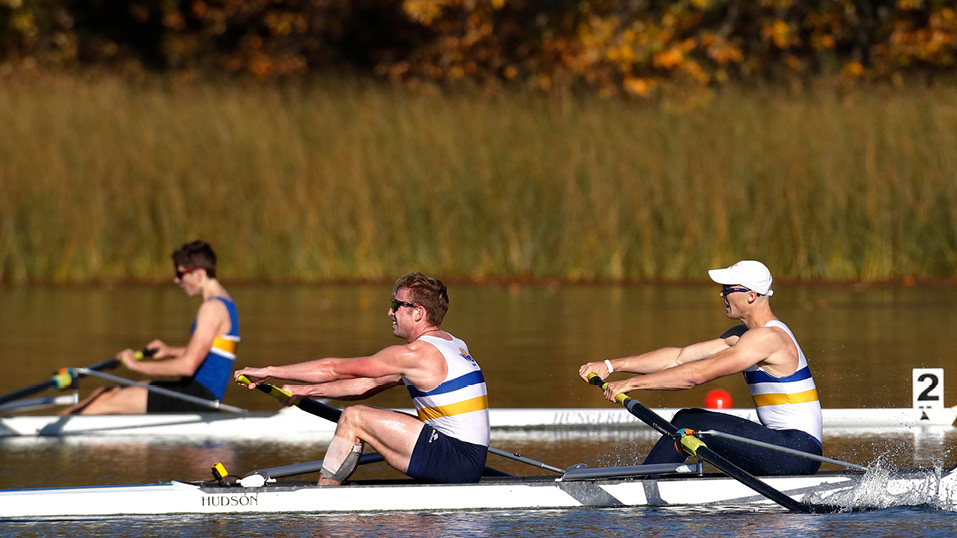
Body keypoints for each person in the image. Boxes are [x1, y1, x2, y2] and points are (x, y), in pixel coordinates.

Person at [235, 272, 490, 486]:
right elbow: (368, 384)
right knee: (363, 414)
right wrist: (305, 391)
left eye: (396, 305)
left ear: (417, 313)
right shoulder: (453, 343)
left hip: (455, 459)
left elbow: (334, 369)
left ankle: (323, 496)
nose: (389, 312)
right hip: (467, 459)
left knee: (354, 417)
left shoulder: (416, 354)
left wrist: (269, 371)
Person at [578, 260, 822, 476]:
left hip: (798, 451)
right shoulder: (744, 335)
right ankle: (649, 480)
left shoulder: (768, 338)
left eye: (728, 289)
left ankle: (643, 484)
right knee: (687, 420)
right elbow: (679, 357)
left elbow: (695, 376)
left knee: (689, 421)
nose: (721, 294)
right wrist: (611, 365)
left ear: (750, 295)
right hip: (784, 447)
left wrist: (631, 384)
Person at [63, 240, 239, 414]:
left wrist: (136, 365)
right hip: (193, 392)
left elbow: (187, 366)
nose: (176, 280)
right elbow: (212, 353)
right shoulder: (226, 302)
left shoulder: (212, 308)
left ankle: (54, 427)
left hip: (197, 399)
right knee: (103, 392)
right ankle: (57, 423)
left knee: (105, 401)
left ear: (199, 274)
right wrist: (169, 351)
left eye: (180, 274)